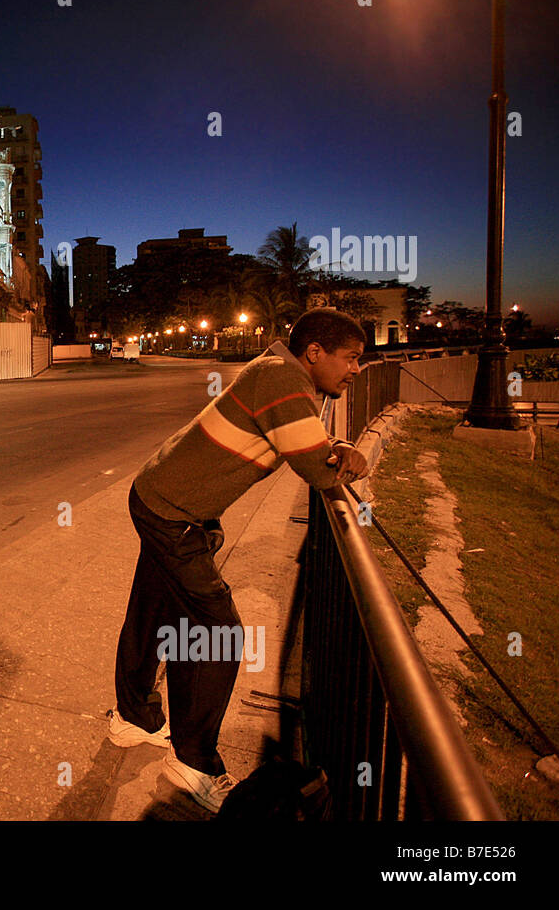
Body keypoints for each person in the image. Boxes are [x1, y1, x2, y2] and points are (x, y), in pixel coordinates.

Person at [107, 308, 369, 813]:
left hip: (158, 496)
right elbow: (319, 470)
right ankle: (192, 762)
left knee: (153, 611)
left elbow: (307, 445)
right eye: (351, 359)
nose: (356, 370)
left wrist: (330, 442)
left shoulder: (280, 374)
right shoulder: (285, 382)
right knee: (216, 630)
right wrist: (344, 454)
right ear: (315, 352)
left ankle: (132, 718)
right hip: (174, 512)